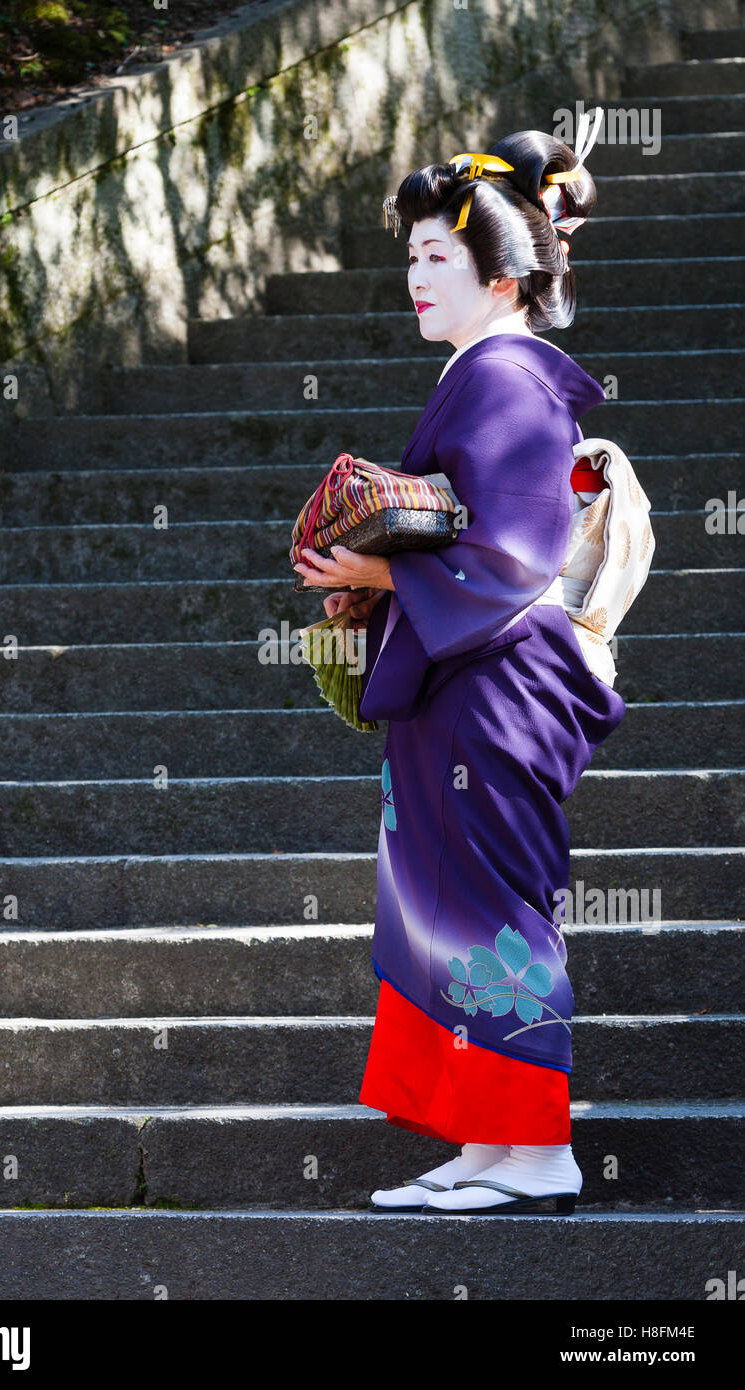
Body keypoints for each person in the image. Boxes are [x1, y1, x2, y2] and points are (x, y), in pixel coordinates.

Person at [291, 112, 629, 1215]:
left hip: (497, 684)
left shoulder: (506, 377)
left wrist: (378, 576)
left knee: (493, 908)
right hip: (464, 682)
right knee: (448, 902)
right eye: (410, 260)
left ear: (501, 277)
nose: (415, 280)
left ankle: (536, 1148)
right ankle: (487, 1140)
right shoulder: (486, 371)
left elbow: (510, 551)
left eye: (436, 258)